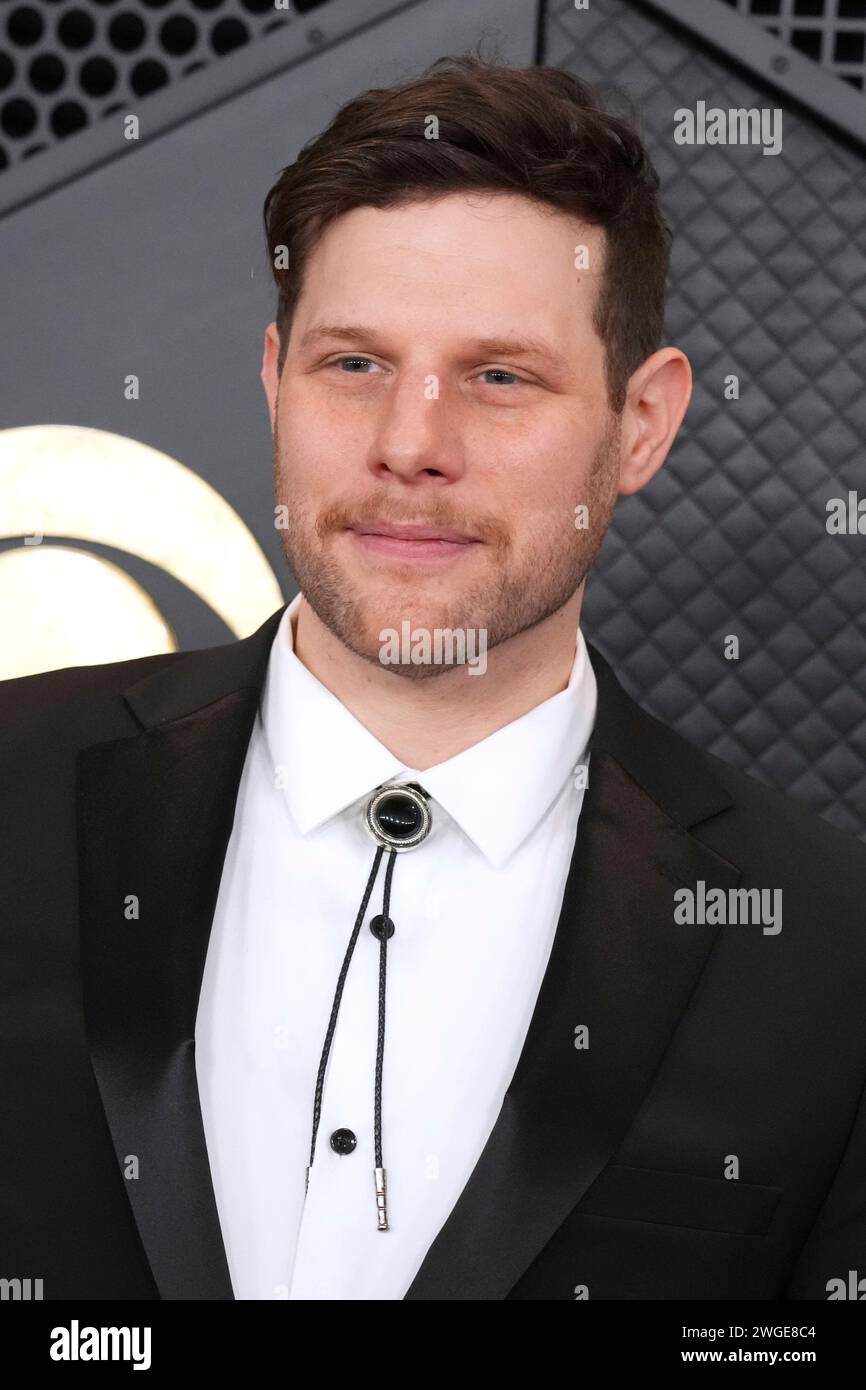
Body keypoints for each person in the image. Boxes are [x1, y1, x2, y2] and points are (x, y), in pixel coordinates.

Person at [2, 54, 865, 1302]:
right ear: (271, 381)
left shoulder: (825, 952)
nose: (411, 444)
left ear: (641, 424)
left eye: (498, 376)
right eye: (353, 364)